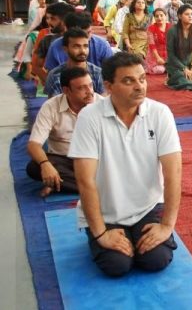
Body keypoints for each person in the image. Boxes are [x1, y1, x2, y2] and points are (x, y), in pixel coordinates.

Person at [70, 52, 181, 277]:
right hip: (106, 212)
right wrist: (101, 233)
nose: (139, 87)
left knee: (155, 259)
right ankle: (97, 236)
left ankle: (140, 235)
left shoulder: (160, 113)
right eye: (128, 81)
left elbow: (173, 173)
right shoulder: (90, 117)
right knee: (117, 265)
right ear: (109, 86)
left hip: (146, 208)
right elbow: (85, 180)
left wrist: (166, 226)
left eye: (142, 78)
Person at [28, 66, 103, 197]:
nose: (89, 91)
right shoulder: (51, 107)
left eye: (90, 85)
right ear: (66, 91)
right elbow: (33, 145)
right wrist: (46, 165)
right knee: (34, 167)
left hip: (95, 161)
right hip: (64, 160)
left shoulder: (103, 105)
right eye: (81, 88)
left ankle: (58, 184)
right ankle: (97, 187)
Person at [45, 28, 105, 97]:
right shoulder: (54, 75)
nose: (82, 51)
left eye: (85, 46)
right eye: (76, 47)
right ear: (65, 49)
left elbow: (102, 104)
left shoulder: (98, 73)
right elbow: (54, 105)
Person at [44, 11, 113, 71]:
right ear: (67, 31)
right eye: (81, 35)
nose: (86, 37)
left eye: (89, 32)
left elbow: (109, 74)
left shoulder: (102, 45)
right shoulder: (55, 47)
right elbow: (52, 74)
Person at [32, 2, 74, 83]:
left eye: (53, 19)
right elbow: (36, 66)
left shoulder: (82, 39)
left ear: (65, 20)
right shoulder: (47, 40)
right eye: (48, 18)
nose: (48, 22)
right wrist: (51, 84)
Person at [166, 5, 192, 91]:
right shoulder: (172, 31)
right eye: (187, 14)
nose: (190, 16)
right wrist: (184, 68)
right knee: (182, 77)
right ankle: (191, 84)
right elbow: (170, 54)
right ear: (179, 16)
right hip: (176, 65)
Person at [146, 8, 169, 75]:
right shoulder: (151, 28)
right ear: (154, 18)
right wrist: (158, 58)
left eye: (161, 15)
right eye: (157, 16)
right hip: (155, 55)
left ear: (165, 16)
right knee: (159, 70)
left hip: (169, 55)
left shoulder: (171, 27)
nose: (159, 18)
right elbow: (152, 45)